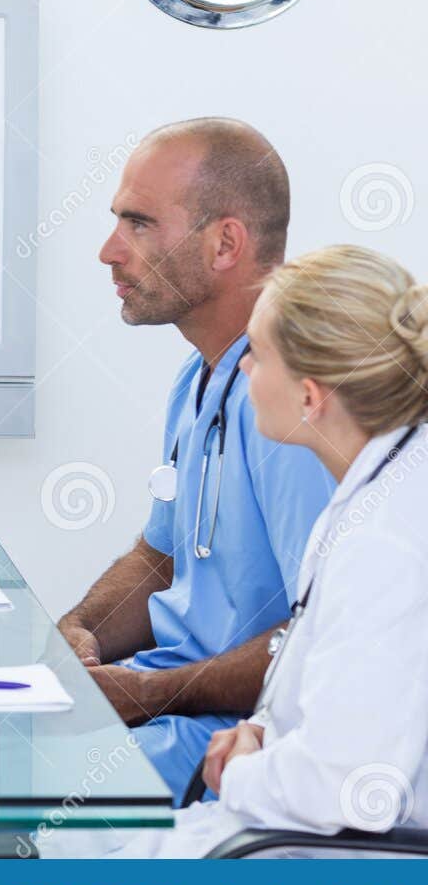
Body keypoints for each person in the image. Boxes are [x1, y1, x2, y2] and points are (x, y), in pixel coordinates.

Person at [44, 244, 428, 857]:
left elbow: (343, 784)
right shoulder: (378, 490)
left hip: (321, 856)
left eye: (259, 356)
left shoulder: (384, 542)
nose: (242, 370)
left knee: (48, 859)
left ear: (311, 396)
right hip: (284, 814)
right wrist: (262, 727)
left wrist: (243, 765)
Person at [55, 119, 334, 802]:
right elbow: (162, 558)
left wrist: (150, 693)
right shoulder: (200, 377)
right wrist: (77, 630)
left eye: (140, 224)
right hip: (165, 705)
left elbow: (319, 630)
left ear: (225, 244)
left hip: (215, 736)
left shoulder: (290, 401)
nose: (108, 251)